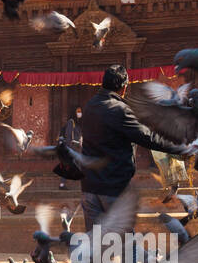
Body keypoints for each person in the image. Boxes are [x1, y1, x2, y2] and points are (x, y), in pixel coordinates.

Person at [80, 65, 189, 229]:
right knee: (125, 246)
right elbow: (148, 137)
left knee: (96, 245)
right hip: (113, 187)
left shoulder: (89, 107)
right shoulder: (119, 110)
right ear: (124, 87)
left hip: (89, 188)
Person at [61, 106, 83, 188]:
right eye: (78, 111)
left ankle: (63, 184)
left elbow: (79, 135)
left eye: (80, 111)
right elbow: (68, 136)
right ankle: (62, 184)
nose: (79, 113)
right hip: (72, 148)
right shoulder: (71, 122)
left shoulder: (78, 123)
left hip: (77, 149)